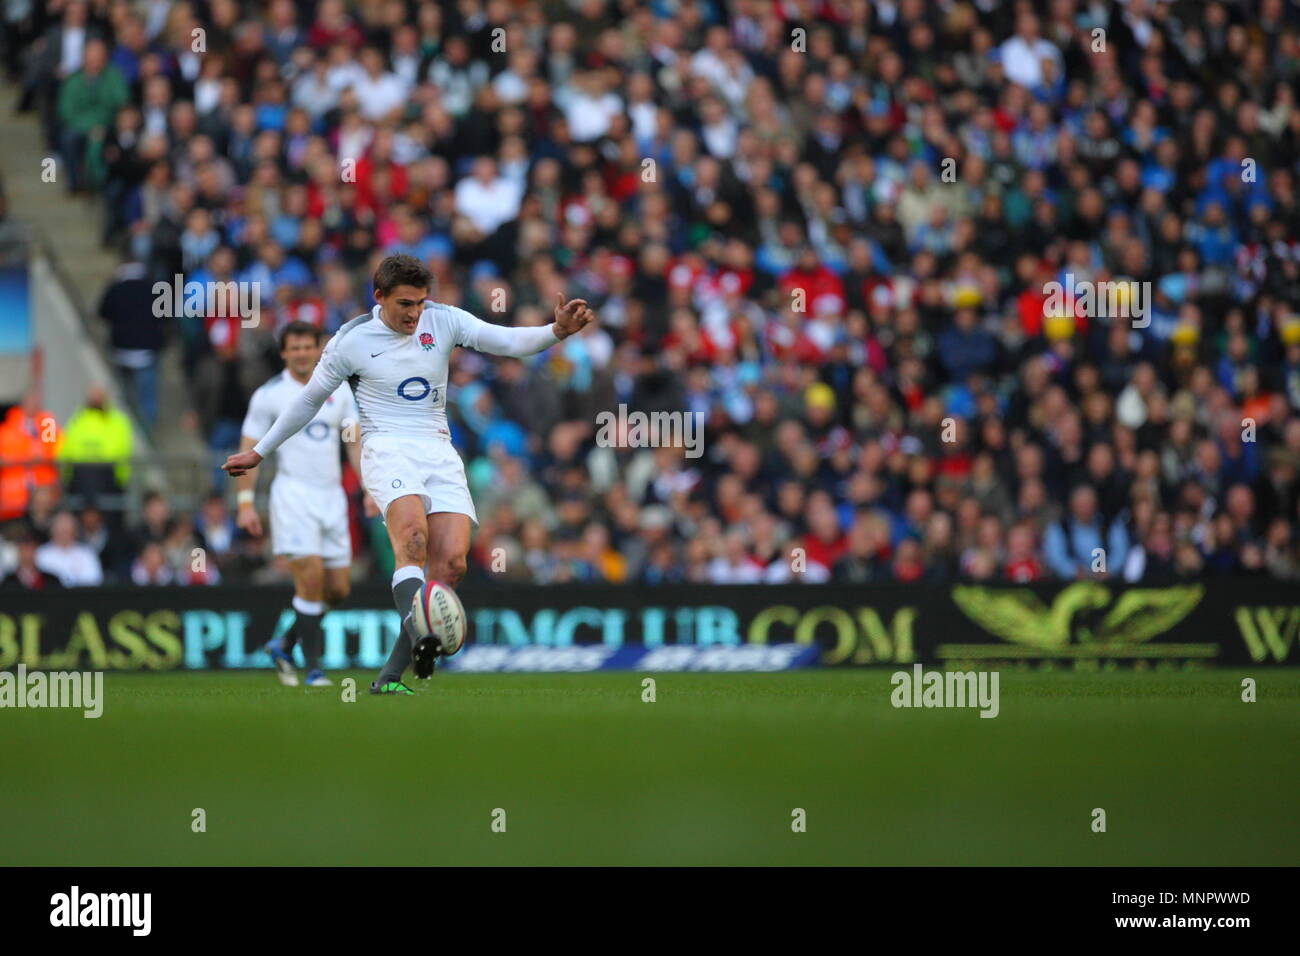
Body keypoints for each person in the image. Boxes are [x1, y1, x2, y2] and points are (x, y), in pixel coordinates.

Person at [221, 254, 595, 695]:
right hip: (386, 448)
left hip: (438, 448)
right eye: (405, 304)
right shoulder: (350, 341)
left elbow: (507, 341)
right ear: (379, 297)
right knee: (413, 541)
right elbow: (307, 401)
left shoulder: (444, 321)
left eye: (420, 302)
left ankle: (388, 678)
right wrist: (260, 452)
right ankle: (423, 638)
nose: (415, 313)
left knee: (452, 564)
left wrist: (557, 332)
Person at [234, 321, 369, 688]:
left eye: (308, 347)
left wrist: (368, 487)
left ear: (318, 349)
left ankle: (284, 643)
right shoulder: (269, 395)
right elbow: (250, 449)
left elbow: (352, 442)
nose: (302, 354)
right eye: (294, 348)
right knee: (309, 579)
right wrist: (245, 502)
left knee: (338, 589)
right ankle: (314, 669)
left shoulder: (338, 390)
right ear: (284, 353)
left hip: (332, 497)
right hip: (293, 496)